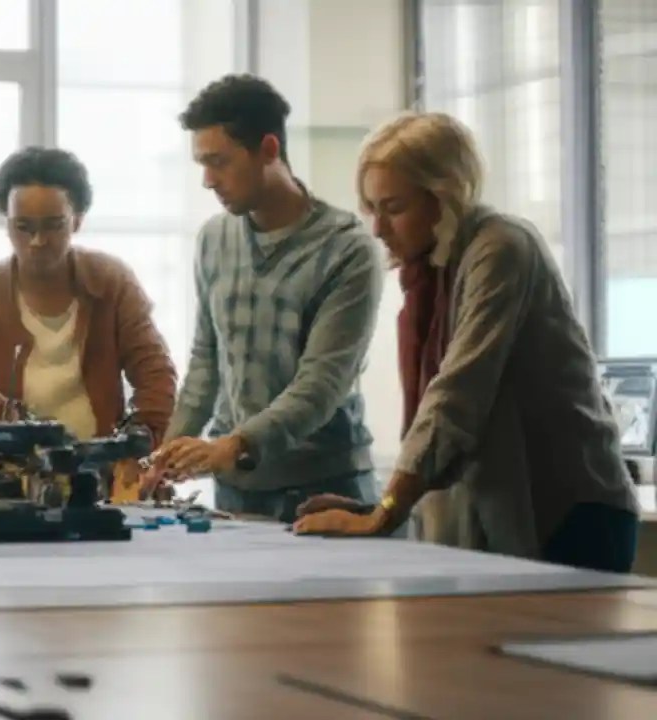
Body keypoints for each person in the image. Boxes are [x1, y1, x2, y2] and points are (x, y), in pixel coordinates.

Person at [294, 112, 640, 572]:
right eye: (371, 208)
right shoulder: (430, 276)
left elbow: (457, 394)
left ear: (445, 197)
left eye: (393, 208)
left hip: (567, 515)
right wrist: (385, 506)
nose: (377, 229)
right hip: (501, 514)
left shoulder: (501, 248)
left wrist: (387, 511)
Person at [146, 74, 383, 521]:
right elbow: (206, 360)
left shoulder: (348, 249)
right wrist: (168, 455)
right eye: (201, 163)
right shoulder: (214, 239)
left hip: (326, 491)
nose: (207, 180)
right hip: (236, 493)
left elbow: (321, 386)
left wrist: (234, 445)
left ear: (270, 150)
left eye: (219, 161)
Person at [0, 147, 177, 500]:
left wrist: (136, 453)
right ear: (6, 221)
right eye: (23, 228)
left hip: (100, 481)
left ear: (77, 219)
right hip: (6, 487)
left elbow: (156, 376)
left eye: (53, 226)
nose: (37, 242)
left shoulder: (111, 283)